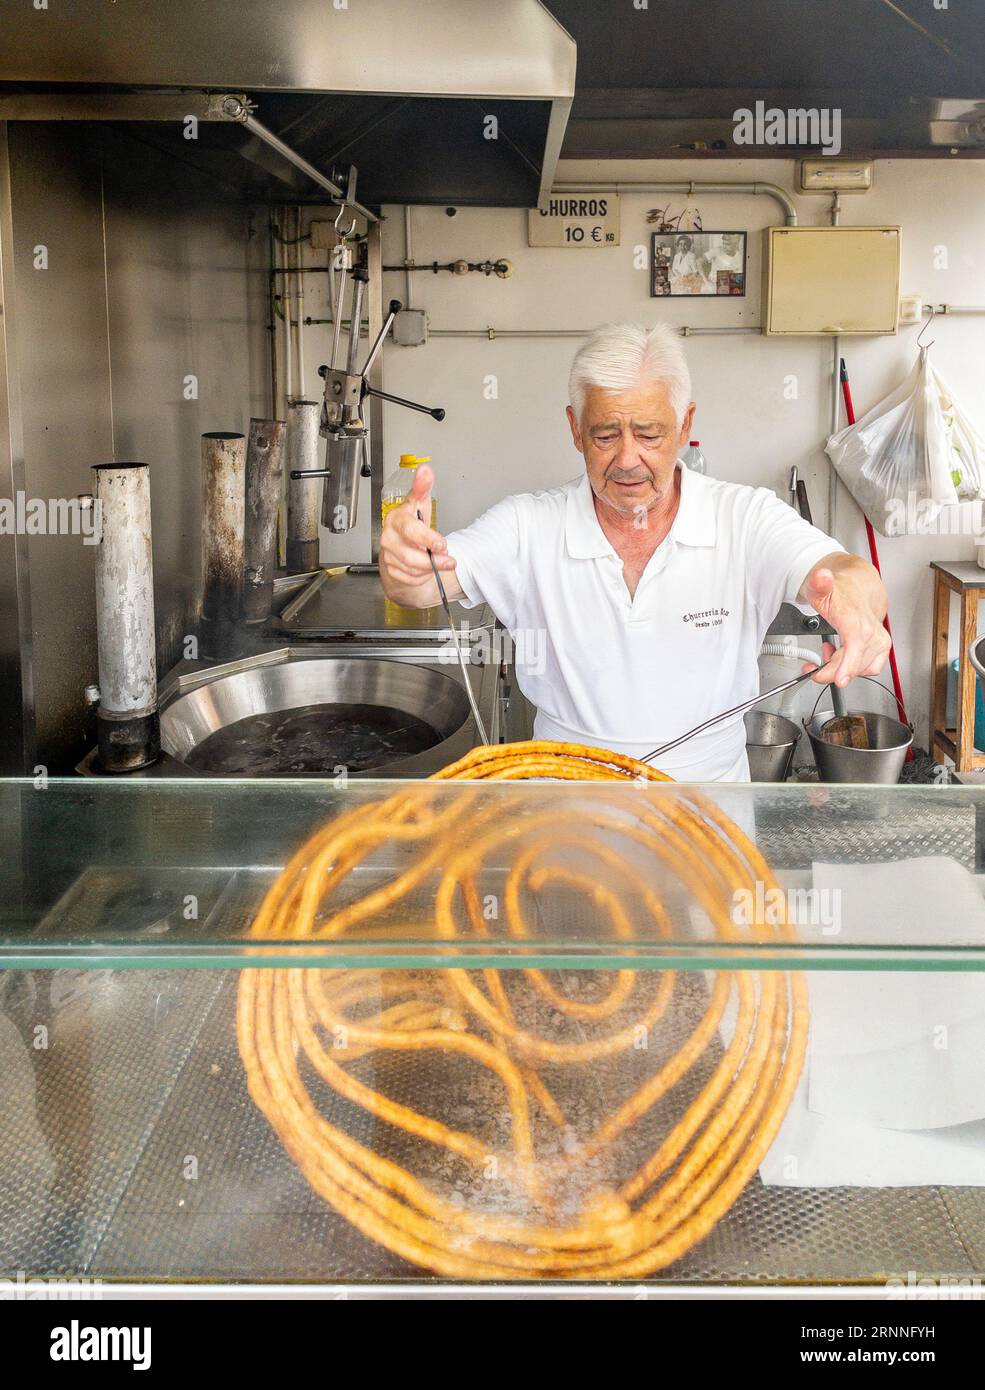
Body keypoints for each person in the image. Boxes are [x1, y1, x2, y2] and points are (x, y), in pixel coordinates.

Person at [379, 322, 890, 780]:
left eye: (649, 434)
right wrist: (405, 563)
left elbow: (845, 570)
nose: (627, 459)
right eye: (605, 434)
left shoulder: (745, 518)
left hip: (709, 806)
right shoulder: (527, 525)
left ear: (685, 426)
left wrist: (856, 607)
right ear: (575, 429)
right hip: (566, 804)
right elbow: (423, 585)